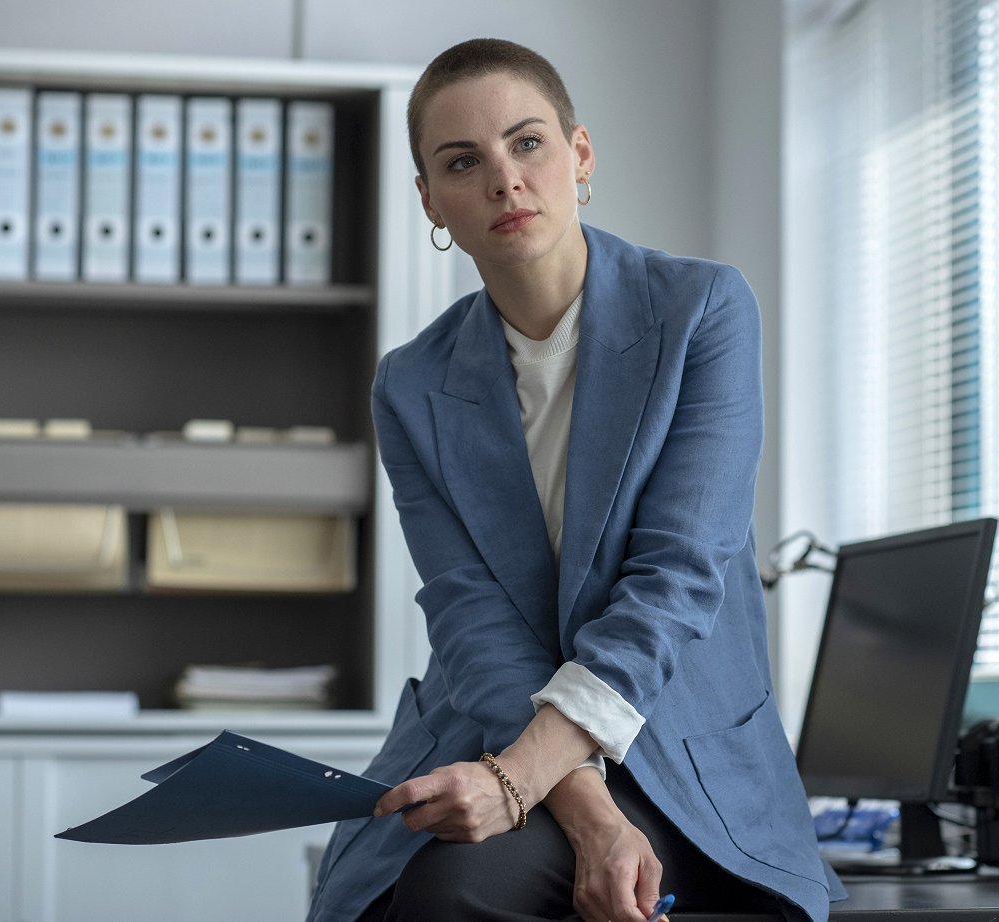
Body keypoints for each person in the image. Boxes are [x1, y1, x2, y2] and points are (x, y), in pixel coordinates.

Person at [306, 38, 844, 922]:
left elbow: (675, 581)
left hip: (676, 744)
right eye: (462, 162)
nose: (504, 183)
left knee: (458, 893)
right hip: (492, 724)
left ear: (579, 154)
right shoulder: (410, 384)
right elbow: (468, 613)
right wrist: (572, 805)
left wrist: (517, 782)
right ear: (430, 200)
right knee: (405, 892)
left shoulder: (703, 310)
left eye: (527, 144)